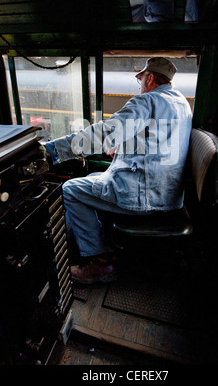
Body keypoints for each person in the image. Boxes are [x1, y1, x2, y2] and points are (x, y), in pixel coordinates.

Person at [44, 57, 192, 284]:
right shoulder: (181, 102)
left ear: (150, 78)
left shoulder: (146, 101)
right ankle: (87, 245)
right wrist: (124, 146)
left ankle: (100, 262)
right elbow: (161, 141)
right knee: (94, 177)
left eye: (140, 78)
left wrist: (54, 150)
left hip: (145, 197)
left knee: (70, 189)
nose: (139, 83)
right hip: (169, 195)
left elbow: (103, 133)